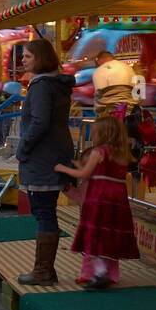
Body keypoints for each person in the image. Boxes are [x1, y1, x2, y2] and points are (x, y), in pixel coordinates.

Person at [15, 39, 76, 285]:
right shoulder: (55, 84)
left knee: (43, 211)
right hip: (55, 152)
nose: (23, 59)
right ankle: (46, 269)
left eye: (27, 56)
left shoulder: (41, 86)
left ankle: (42, 271)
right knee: (45, 210)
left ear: (40, 58)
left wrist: (23, 147)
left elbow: (40, 121)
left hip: (43, 157)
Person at [54, 115, 138, 290]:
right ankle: (107, 271)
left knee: (94, 236)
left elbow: (85, 174)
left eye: (94, 133)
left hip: (100, 198)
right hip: (118, 200)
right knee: (109, 235)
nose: (93, 137)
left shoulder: (98, 152)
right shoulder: (121, 153)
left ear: (103, 134)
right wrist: (81, 166)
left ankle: (100, 273)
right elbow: (102, 171)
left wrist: (62, 168)